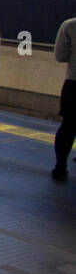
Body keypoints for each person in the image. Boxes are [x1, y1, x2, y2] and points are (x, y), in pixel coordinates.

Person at [54, 15, 76, 181]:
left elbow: (61, 56)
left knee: (68, 125)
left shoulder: (70, 25)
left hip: (74, 82)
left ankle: (61, 166)